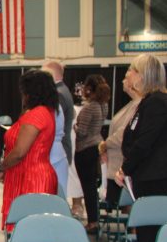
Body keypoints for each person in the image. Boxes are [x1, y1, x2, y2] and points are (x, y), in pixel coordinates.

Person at [117, 54, 167, 242]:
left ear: (143, 75)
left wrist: (124, 168)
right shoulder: (148, 102)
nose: (128, 75)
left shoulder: (158, 103)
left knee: (152, 231)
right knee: (146, 232)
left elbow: (144, 142)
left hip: (154, 173)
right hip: (146, 173)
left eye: (132, 70)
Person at [0, 71, 58, 228]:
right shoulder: (45, 112)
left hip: (32, 178)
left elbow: (19, 152)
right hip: (31, 174)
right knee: (33, 228)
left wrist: (2, 166)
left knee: (32, 229)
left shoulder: (36, 114)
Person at [100, 72, 142, 210]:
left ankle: (133, 231)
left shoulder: (139, 105)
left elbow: (124, 133)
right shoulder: (131, 104)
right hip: (116, 161)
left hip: (123, 163)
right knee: (124, 207)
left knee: (129, 206)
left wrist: (105, 144)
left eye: (126, 77)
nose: (123, 81)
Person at [74, 75, 109, 232]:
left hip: (85, 148)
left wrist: (75, 126)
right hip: (96, 145)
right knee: (92, 187)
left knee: (87, 187)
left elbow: (82, 132)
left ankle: (92, 222)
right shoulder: (103, 105)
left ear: (88, 89)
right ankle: (94, 219)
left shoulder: (89, 107)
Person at [43, 60, 75, 196]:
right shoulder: (62, 90)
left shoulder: (58, 94)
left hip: (57, 151)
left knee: (56, 194)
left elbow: (53, 125)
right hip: (59, 149)